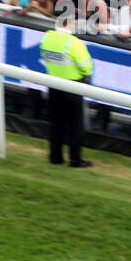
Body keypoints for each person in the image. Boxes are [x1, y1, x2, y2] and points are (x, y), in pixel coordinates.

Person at [38, 27, 94, 168]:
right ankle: (75, 160)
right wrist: (86, 74)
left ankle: (55, 157)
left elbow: (43, 56)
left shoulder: (48, 37)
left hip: (54, 83)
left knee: (56, 123)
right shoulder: (73, 42)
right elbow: (86, 66)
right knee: (75, 125)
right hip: (73, 85)